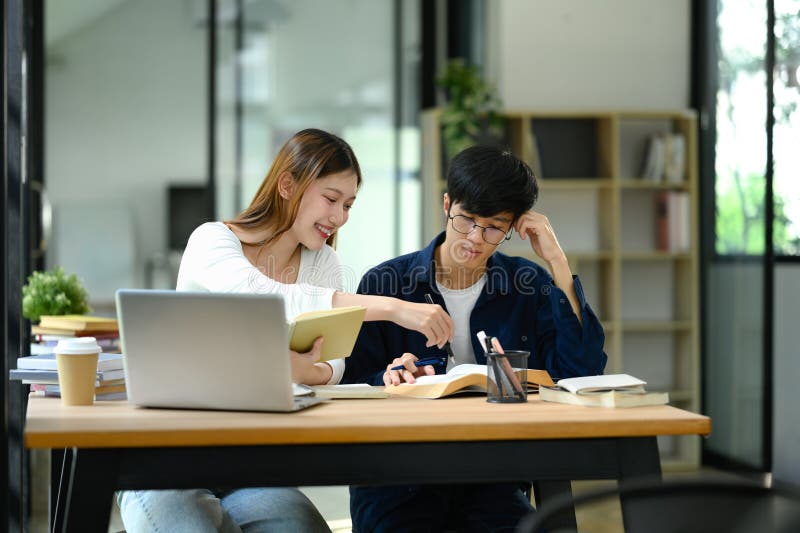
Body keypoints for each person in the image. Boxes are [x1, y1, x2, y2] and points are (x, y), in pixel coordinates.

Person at [118, 128, 454, 533]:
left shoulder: (324, 260)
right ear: (287, 184)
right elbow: (266, 297)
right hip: (165, 460)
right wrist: (393, 308)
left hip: (248, 467)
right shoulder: (212, 241)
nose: (340, 216)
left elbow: (335, 362)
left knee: (303, 527)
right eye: (331, 199)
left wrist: (297, 371)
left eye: (348, 205)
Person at [341, 145, 608, 532]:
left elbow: (581, 372)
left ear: (514, 225)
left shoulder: (527, 284)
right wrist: (388, 377)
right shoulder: (386, 284)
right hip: (398, 477)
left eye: (494, 227)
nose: (475, 238)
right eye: (466, 220)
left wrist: (558, 263)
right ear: (447, 204)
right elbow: (350, 382)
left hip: (492, 475)